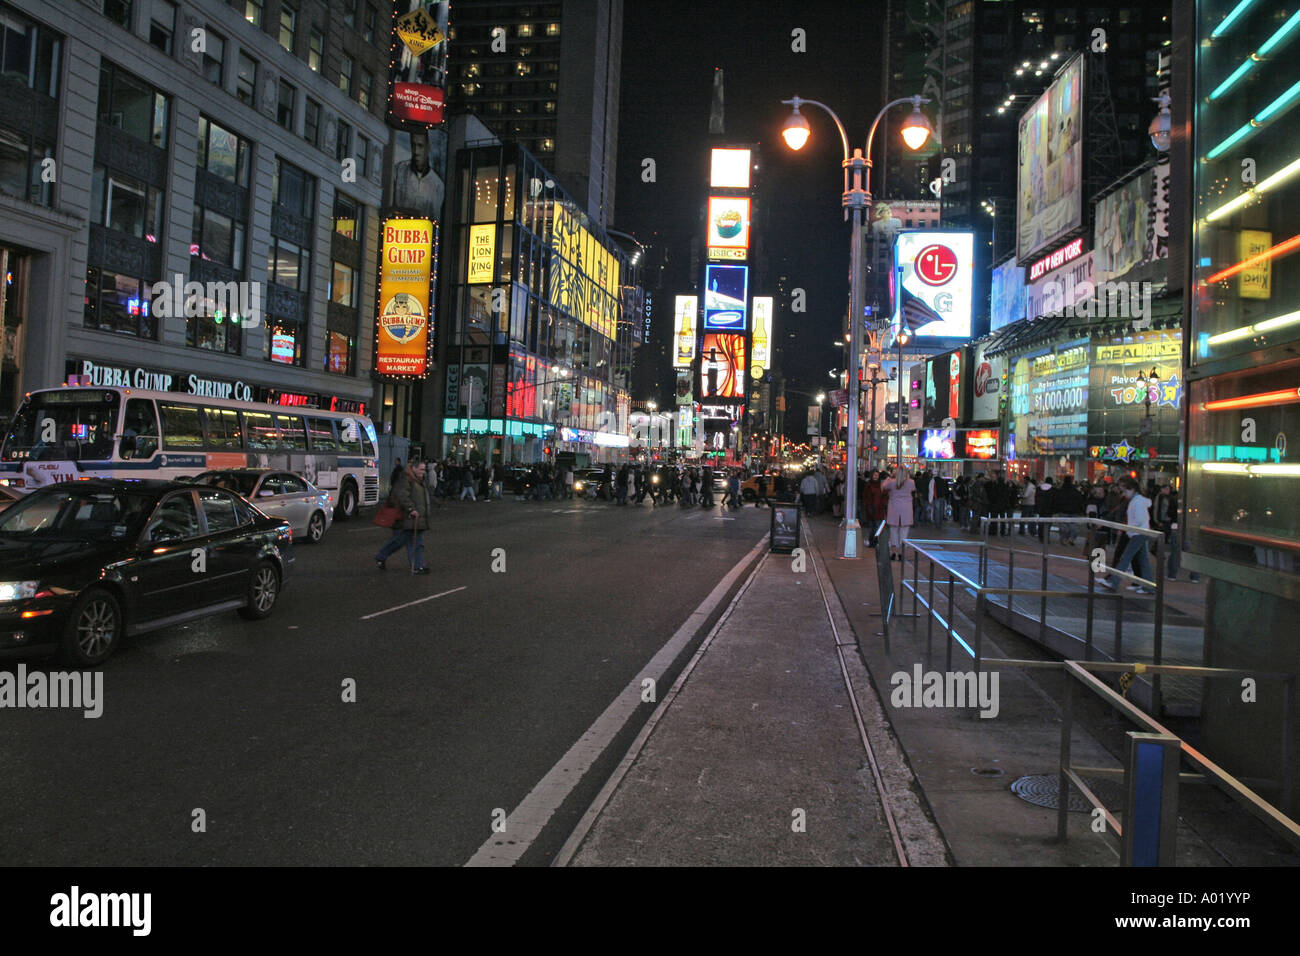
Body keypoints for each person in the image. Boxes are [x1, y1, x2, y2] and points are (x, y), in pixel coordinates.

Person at [1096, 477, 1154, 593]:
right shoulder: (1137, 501)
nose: (1124, 494)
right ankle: (1147, 585)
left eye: (1125, 491)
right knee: (1142, 560)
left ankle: (1114, 582)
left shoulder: (1137, 501)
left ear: (1132, 490)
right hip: (1139, 532)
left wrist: (1128, 529)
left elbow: (1138, 519)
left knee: (1126, 558)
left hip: (1137, 533)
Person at [376, 461, 431, 574]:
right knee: (401, 541)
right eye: (421, 469)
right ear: (414, 469)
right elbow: (402, 495)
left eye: (424, 469)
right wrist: (411, 509)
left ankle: (417, 565)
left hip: (415, 519)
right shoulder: (406, 479)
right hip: (406, 518)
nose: (423, 472)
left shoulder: (419, 481)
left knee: (414, 542)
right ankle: (416, 566)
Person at [393, 127, 445, 219]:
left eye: (420, 146)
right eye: (413, 145)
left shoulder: (438, 185)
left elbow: (436, 218)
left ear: (427, 147)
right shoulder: (399, 170)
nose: (416, 151)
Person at [881, 467, 916, 561]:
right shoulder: (911, 482)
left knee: (893, 531)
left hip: (894, 508)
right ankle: (901, 553)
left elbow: (883, 486)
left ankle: (893, 552)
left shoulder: (892, 482)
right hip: (906, 509)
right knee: (904, 532)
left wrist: (889, 478)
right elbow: (913, 490)